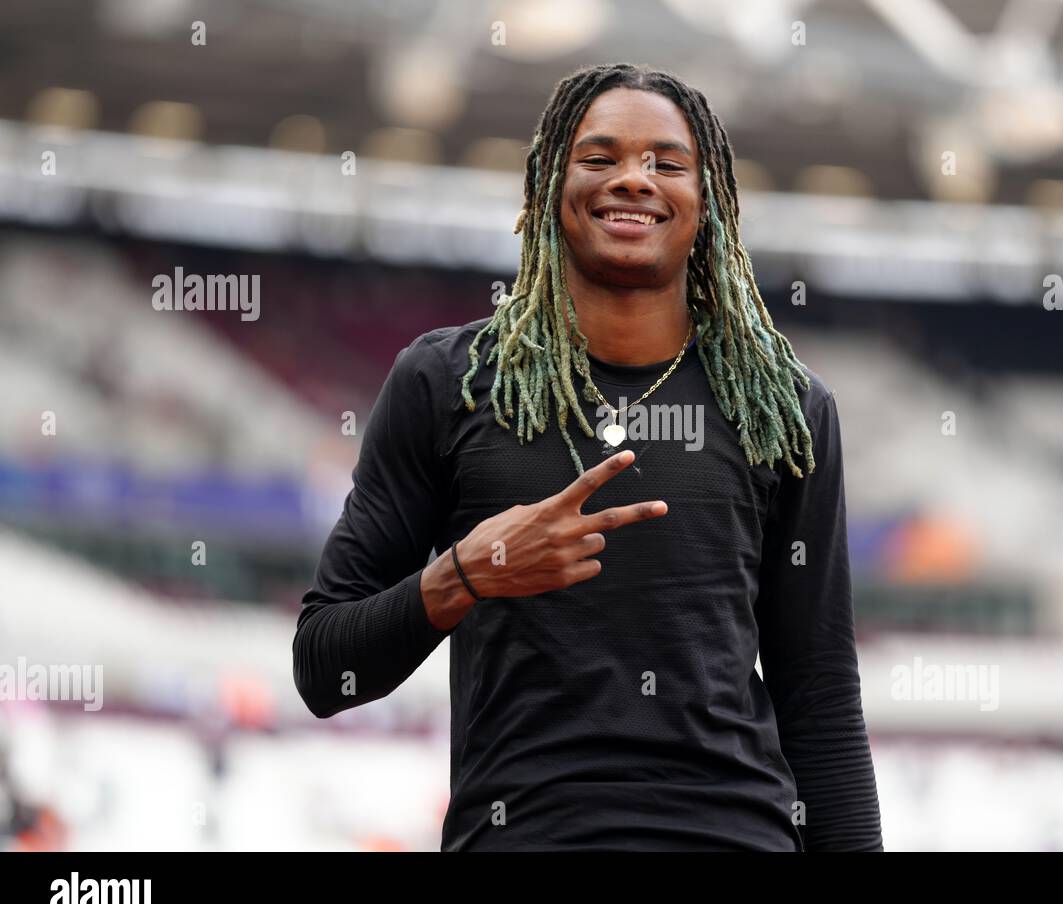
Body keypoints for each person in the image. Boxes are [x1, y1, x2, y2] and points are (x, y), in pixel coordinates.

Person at [294, 63, 883, 851]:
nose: (634, 179)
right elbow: (325, 670)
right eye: (600, 158)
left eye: (667, 163)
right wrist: (467, 573)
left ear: (709, 200)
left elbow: (820, 699)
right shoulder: (445, 384)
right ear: (548, 187)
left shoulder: (783, 409)